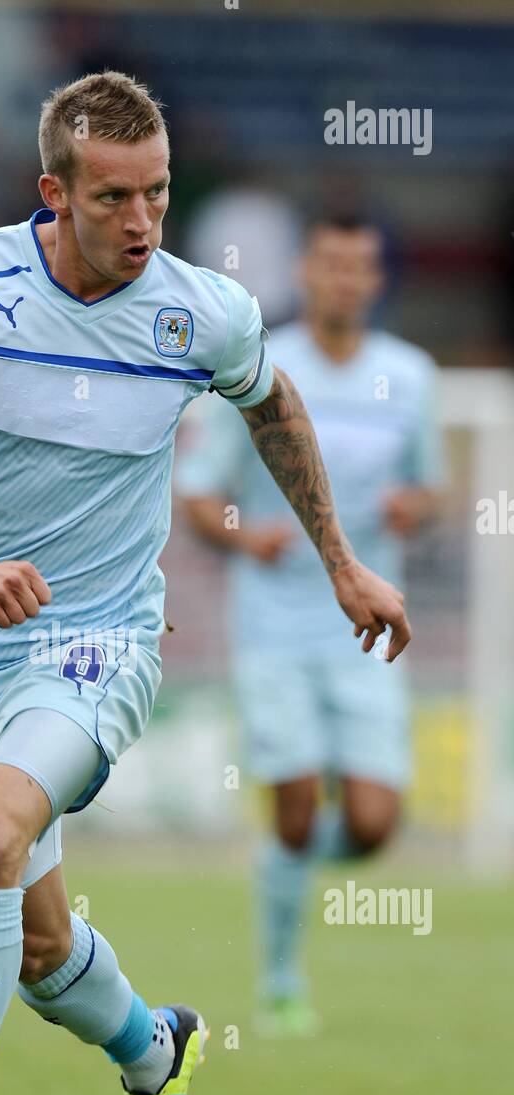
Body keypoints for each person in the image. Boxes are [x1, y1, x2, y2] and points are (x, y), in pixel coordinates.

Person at [0, 75, 410, 1095]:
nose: (142, 221)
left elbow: (275, 407)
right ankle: (156, 1046)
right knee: (35, 950)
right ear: (53, 192)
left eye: (157, 193)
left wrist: (341, 561)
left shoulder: (205, 311)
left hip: (99, 641)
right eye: (111, 197)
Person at [175, 215, 440, 1038]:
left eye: (360, 267)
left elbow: (429, 486)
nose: (345, 281)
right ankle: (281, 980)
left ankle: (277, 868)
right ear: (305, 273)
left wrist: (414, 506)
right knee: (292, 804)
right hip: (275, 622)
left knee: (370, 825)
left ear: (375, 280)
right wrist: (242, 533)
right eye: (331, 265)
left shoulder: (410, 375)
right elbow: (198, 496)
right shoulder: (259, 365)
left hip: (364, 627)